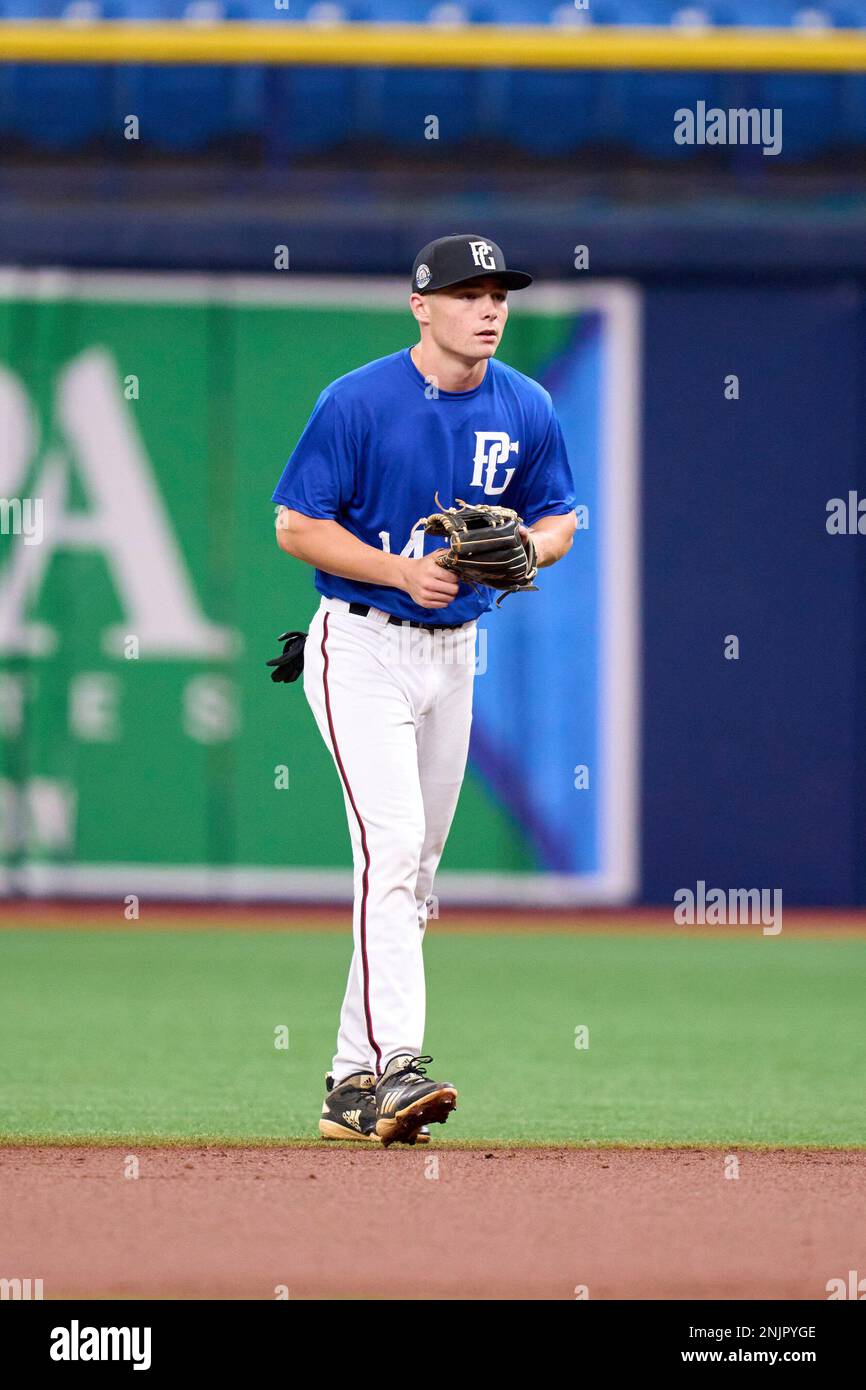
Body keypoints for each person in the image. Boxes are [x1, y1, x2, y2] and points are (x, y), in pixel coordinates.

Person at [272, 234, 577, 1145]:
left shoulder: (527, 404)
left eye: (500, 294)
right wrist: (397, 574)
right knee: (394, 848)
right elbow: (296, 525)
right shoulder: (357, 401)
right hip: (360, 647)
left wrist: (534, 548)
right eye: (468, 293)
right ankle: (396, 1065)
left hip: (456, 656)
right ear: (421, 306)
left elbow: (559, 516)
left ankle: (347, 1085)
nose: (489, 309)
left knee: (415, 871)